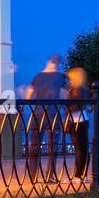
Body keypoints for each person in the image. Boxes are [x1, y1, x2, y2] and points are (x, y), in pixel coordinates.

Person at [25, 54, 68, 182]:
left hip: (37, 113)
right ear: (58, 63)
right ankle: (50, 176)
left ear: (48, 61)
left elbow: (28, 95)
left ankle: (33, 176)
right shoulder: (61, 77)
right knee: (52, 145)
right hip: (53, 114)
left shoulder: (37, 77)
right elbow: (64, 96)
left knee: (35, 144)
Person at [64, 66, 90, 180]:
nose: (69, 79)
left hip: (76, 121)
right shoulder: (85, 89)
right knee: (83, 148)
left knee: (79, 149)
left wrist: (66, 105)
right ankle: (83, 175)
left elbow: (75, 105)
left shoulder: (76, 89)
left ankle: (78, 176)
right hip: (83, 119)